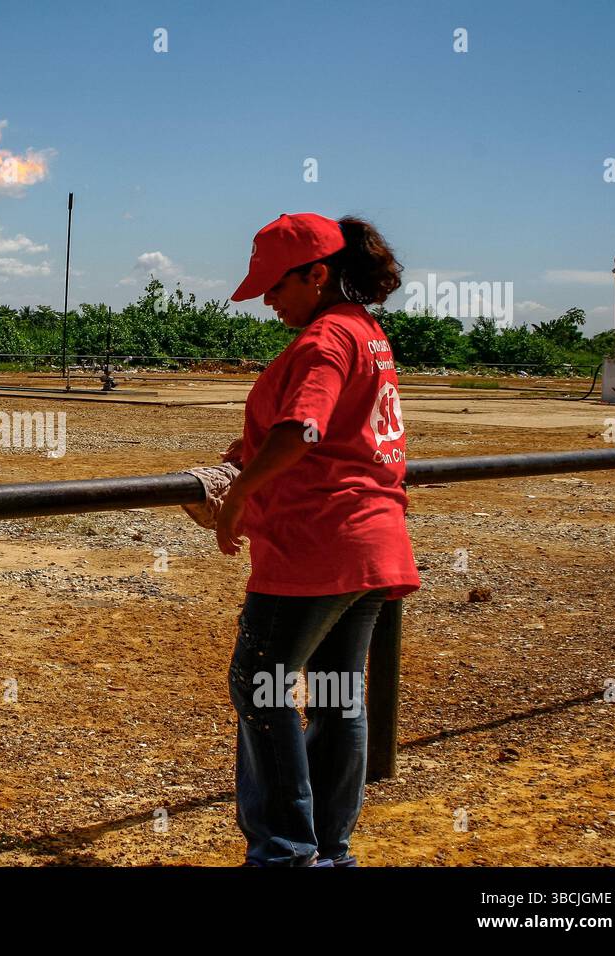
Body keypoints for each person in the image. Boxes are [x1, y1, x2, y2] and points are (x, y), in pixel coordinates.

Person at [217, 213, 421, 867]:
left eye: (276, 287)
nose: (269, 301)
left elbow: (302, 430)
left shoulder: (324, 340)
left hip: (314, 548)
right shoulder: (367, 333)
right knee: (337, 693)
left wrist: (241, 494)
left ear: (317, 273)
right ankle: (330, 850)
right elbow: (335, 431)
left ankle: (285, 854)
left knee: (261, 686)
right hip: (372, 544)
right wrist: (248, 450)